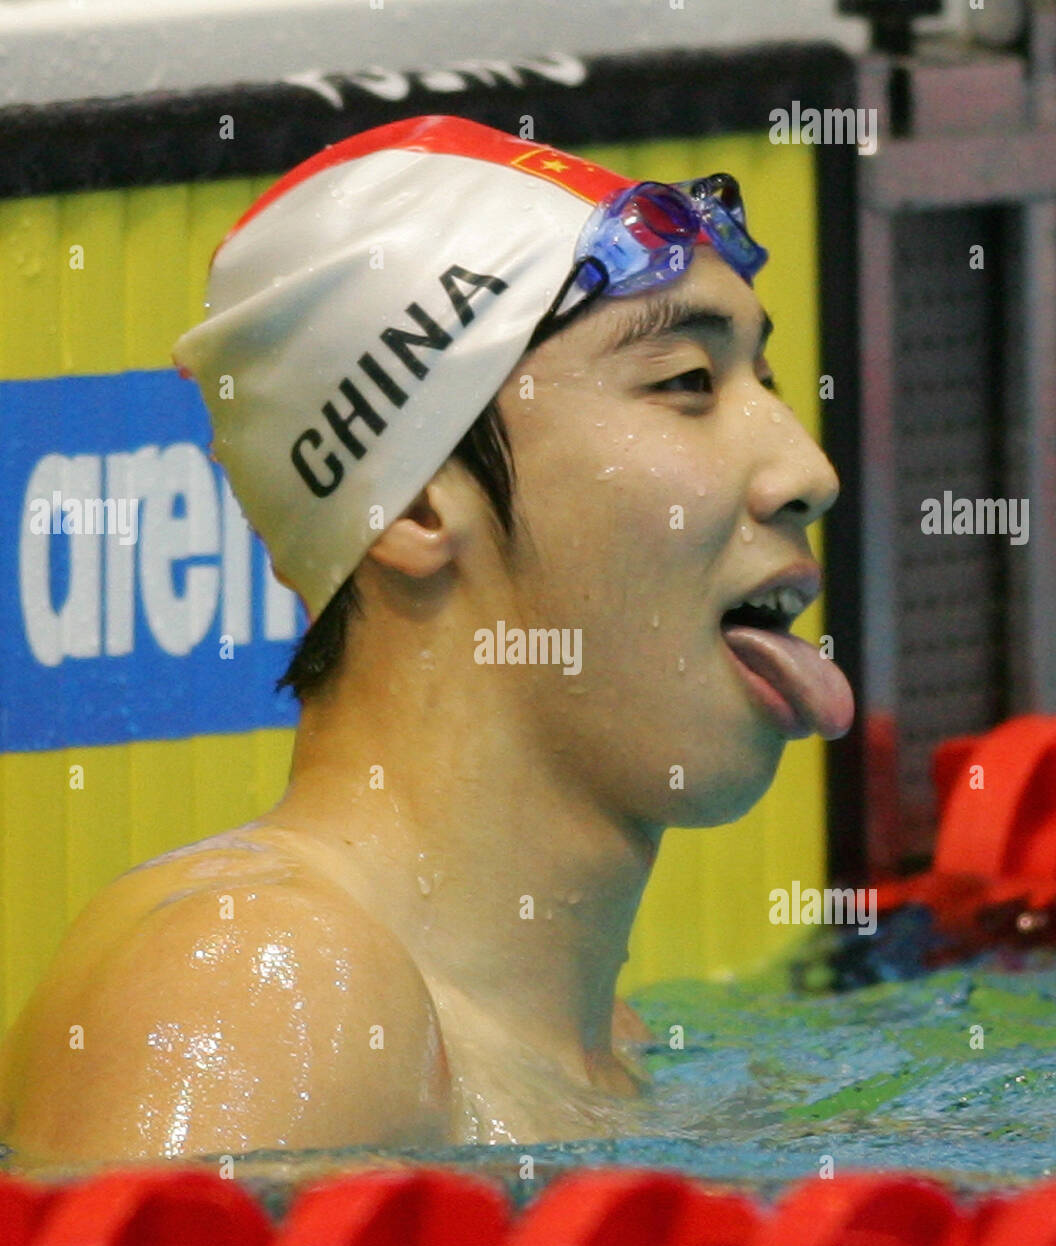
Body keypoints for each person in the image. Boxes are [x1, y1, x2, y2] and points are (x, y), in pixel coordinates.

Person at [0, 116, 853, 1162]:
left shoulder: (592, 1043)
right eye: (684, 383)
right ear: (413, 506)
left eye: (762, 381)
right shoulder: (259, 986)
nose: (808, 471)